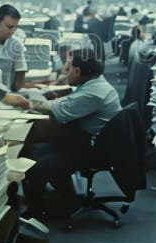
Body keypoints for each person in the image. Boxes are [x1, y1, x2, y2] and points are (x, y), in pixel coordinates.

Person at [18, 49, 121, 218]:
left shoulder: (93, 93)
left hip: (92, 150)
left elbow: (59, 112)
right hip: (89, 142)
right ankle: (67, 198)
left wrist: (28, 102)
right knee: (35, 151)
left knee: (34, 166)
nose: (66, 71)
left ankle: (36, 212)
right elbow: (68, 102)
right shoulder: (96, 84)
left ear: (78, 71)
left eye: (69, 68)